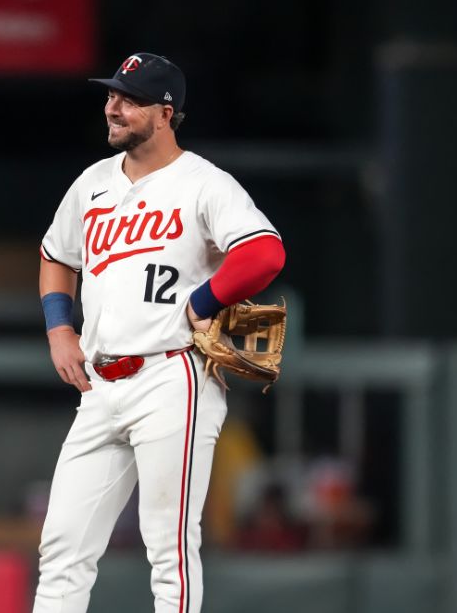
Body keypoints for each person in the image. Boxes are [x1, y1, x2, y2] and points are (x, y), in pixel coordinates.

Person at [35, 52, 285, 613]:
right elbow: (56, 256)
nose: (113, 107)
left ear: (165, 112)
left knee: (168, 549)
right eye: (111, 96)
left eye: (128, 99)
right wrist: (59, 329)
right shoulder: (92, 183)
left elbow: (265, 252)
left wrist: (206, 297)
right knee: (62, 548)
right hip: (99, 387)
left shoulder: (204, 183)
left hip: (171, 378)